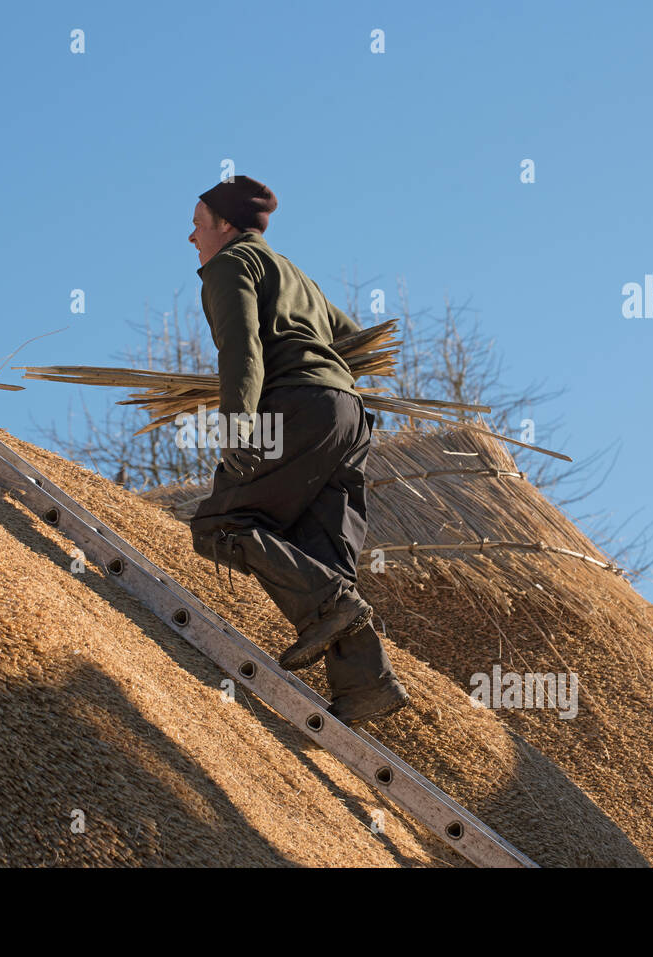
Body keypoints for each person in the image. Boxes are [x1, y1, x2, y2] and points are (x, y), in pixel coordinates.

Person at [186, 174, 411, 728]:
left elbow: (242, 348)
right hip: (349, 417)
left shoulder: (231, 265)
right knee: (325, 554)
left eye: (196, 225)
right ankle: (365, 686)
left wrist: (238, 424)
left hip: (294, 408)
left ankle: (331, 612)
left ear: (226, 226)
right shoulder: (295, 275)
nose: (190, 239)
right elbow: (353, 339)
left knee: (222, 524)